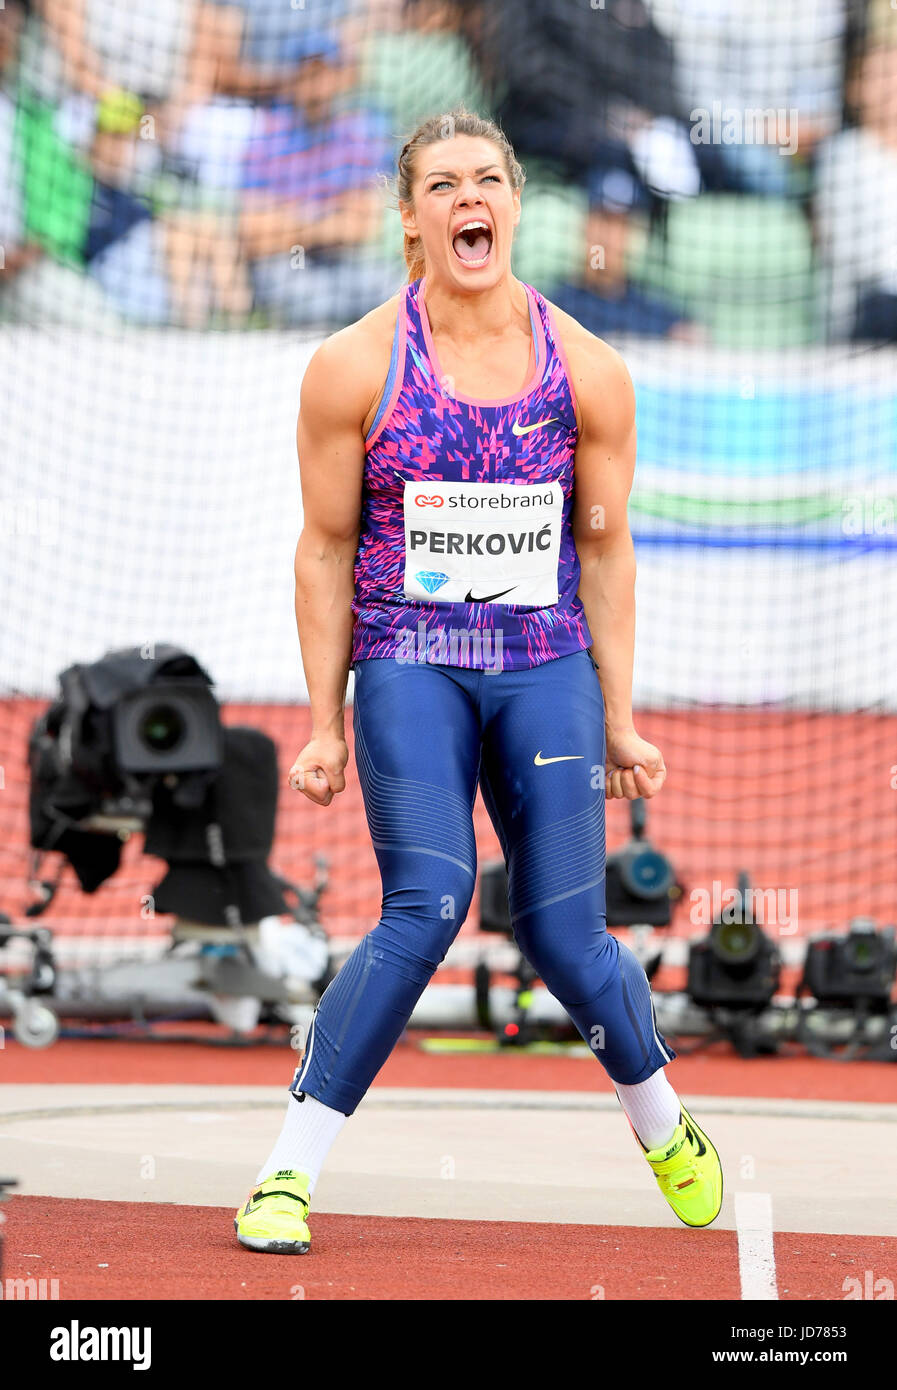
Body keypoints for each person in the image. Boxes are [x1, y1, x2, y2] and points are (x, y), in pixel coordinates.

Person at [235, 107, 723, 1255]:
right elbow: (323, 550)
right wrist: (321, 723)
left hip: (543, 661)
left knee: (566, 935)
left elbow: (603, 548)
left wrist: (621, 718)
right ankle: (287, 1173)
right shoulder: (355, 366)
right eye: (444, 184)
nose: (470, 199)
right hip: (411, 657)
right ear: (412, 221)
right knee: (431, 900)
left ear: (513, 205)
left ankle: (661, 1116)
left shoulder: (587, 372)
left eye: (488, 180)